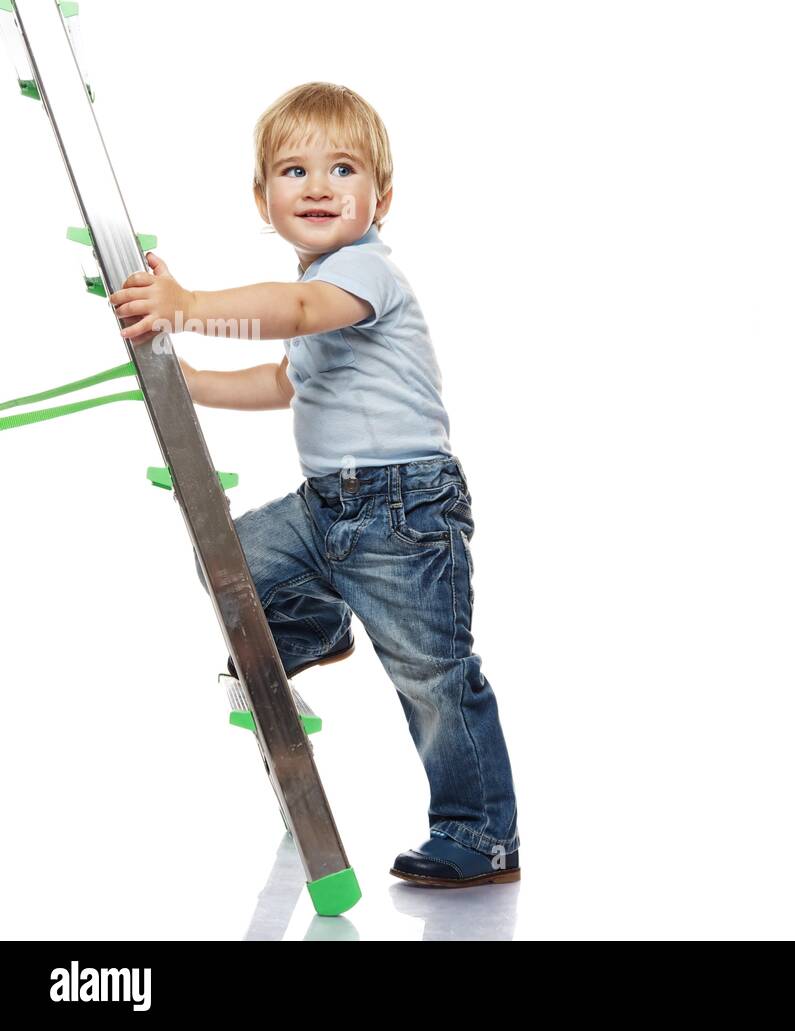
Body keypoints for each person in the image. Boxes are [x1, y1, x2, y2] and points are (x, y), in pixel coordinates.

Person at [107, 82, 520, 889]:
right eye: (294, 172)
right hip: (326, 505)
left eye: (342, 169)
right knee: (229, 557)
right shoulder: (317, 296)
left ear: (381, 197)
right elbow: (282, 379)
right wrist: (190, 381)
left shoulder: (361, 276)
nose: (320, 186)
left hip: (404, 508)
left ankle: (480, 832)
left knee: (433, 674)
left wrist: (187, 306)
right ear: (263, 199)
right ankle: (319, 626)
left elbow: (291, 312)